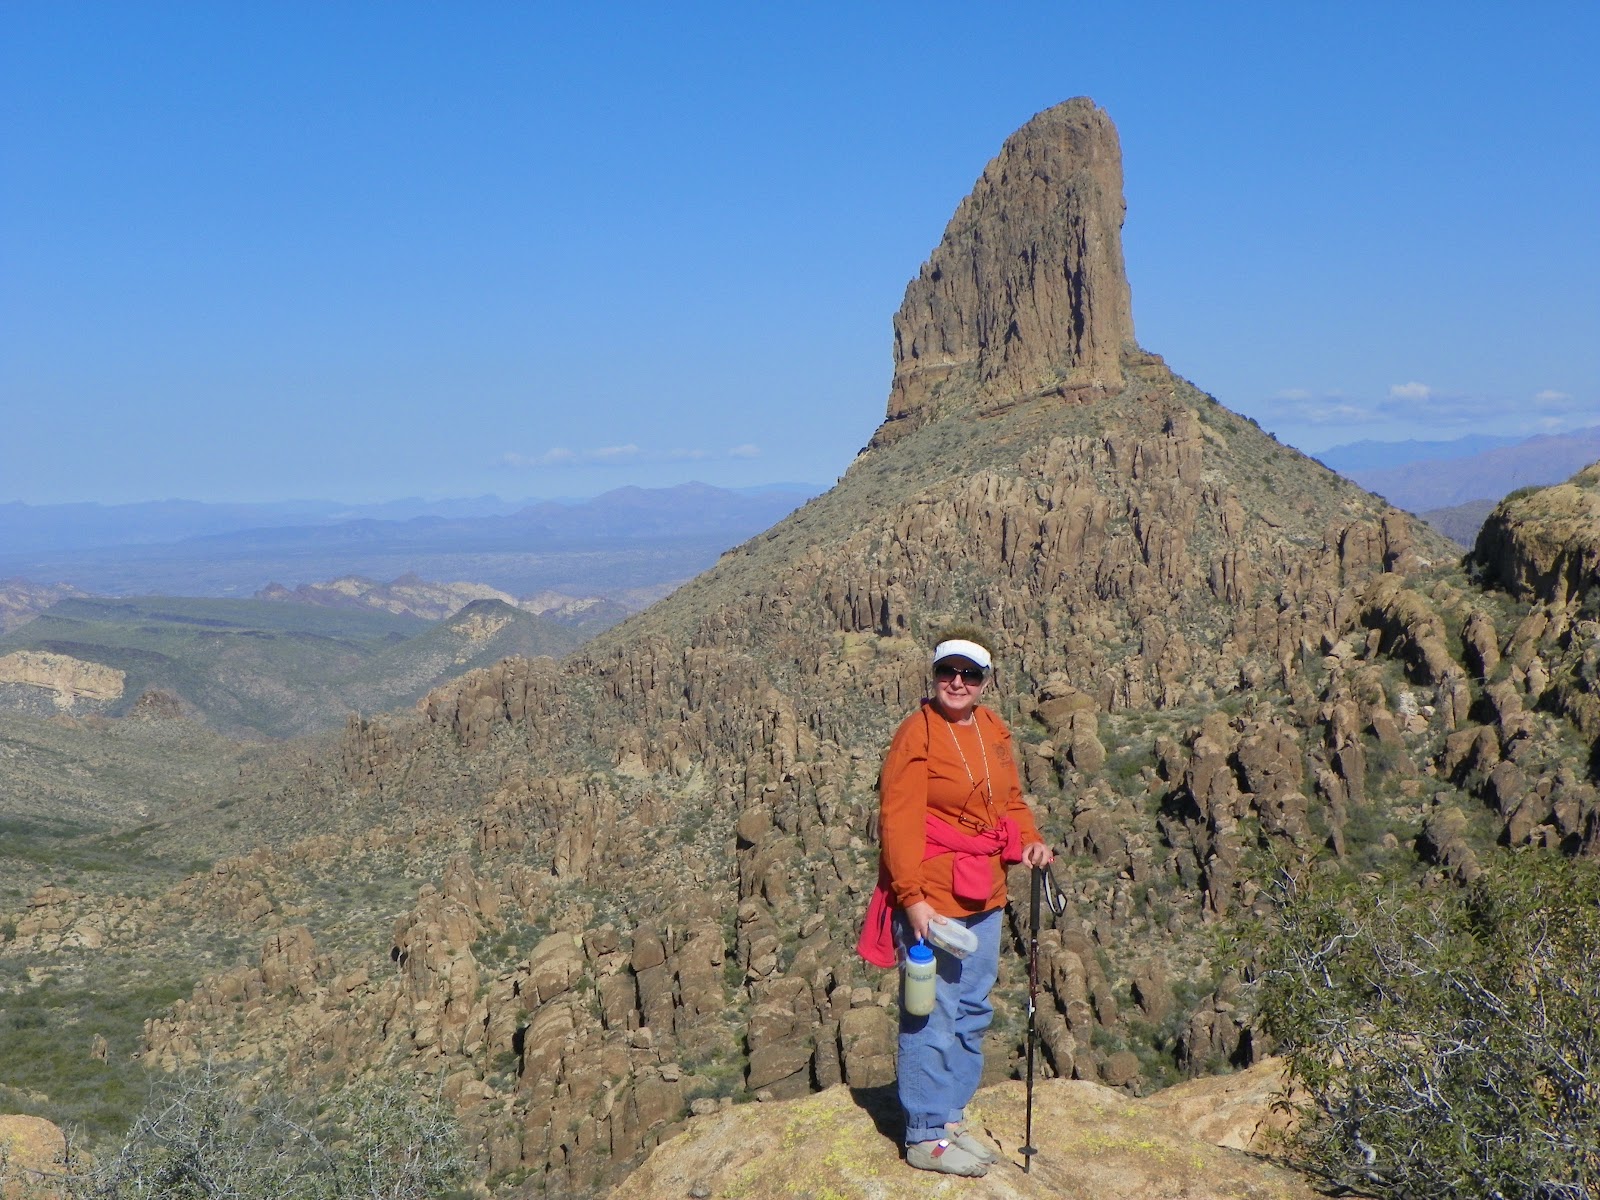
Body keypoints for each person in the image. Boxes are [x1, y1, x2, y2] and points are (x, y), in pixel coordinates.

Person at [858, 630, 1053, 1177]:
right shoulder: (915, 733)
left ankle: (949, 1118)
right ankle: (923, 1134)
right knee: (932, 1014)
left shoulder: (991, 727)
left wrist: (1030, 838)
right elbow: (897, 821)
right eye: (949, 671)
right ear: (935, 674)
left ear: (985, 680)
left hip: (985, 892)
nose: (958, 683)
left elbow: (1010, 801)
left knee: (971, 1009)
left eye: (970, 674)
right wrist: (912, 900)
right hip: (933, 899)